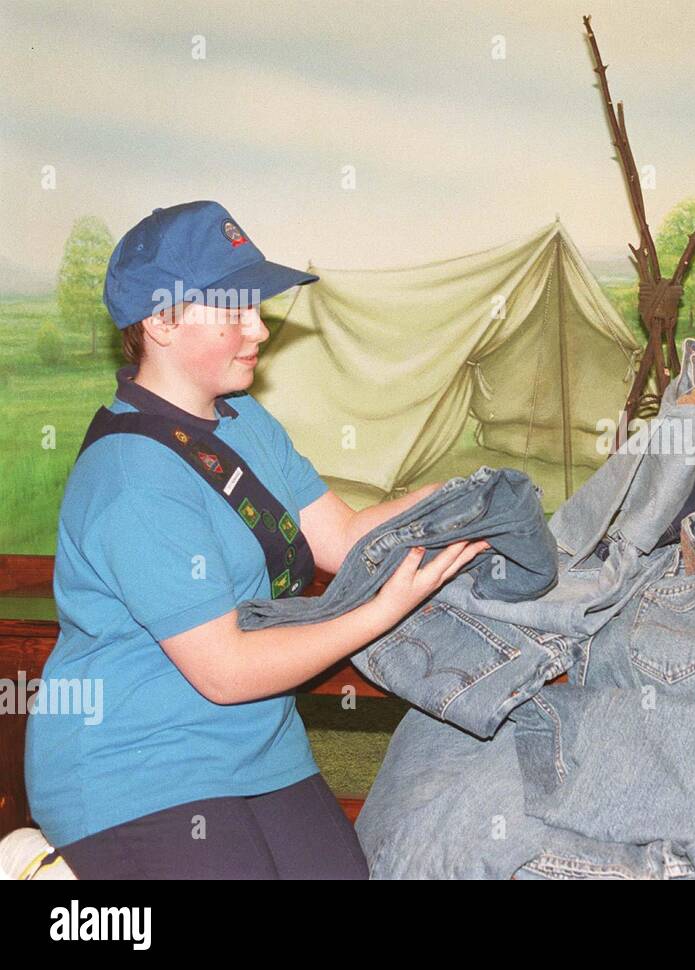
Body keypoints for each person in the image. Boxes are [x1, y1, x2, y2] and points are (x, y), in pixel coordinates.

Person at [24, 201, 489, 879]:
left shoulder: (246, 423)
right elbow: (225, 671)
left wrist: (465, 494)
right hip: (133, 769)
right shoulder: (130, 479)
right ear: (160, 321)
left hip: (257, 748)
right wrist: (377, 613)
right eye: (235, 311)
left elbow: (347, 537)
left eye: (258, 307)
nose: (259, 330)